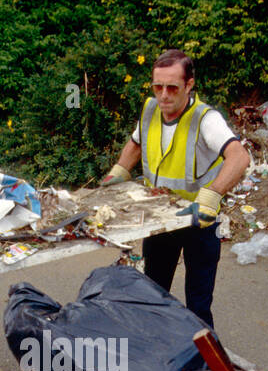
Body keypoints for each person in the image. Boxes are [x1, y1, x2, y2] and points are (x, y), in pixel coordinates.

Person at [101, 49, 251, 329]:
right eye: (158, 87)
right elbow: (136, 143)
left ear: (189, 85)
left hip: (201, 220)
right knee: (153, 294)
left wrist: (211, 195)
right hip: (160, 220)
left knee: (198, 304)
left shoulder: (205, 119)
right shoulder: (150, 111)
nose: (164, 95)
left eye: (173, 87)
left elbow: (240, 157)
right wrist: (119, 172)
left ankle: (203, 363)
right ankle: (158, 353)